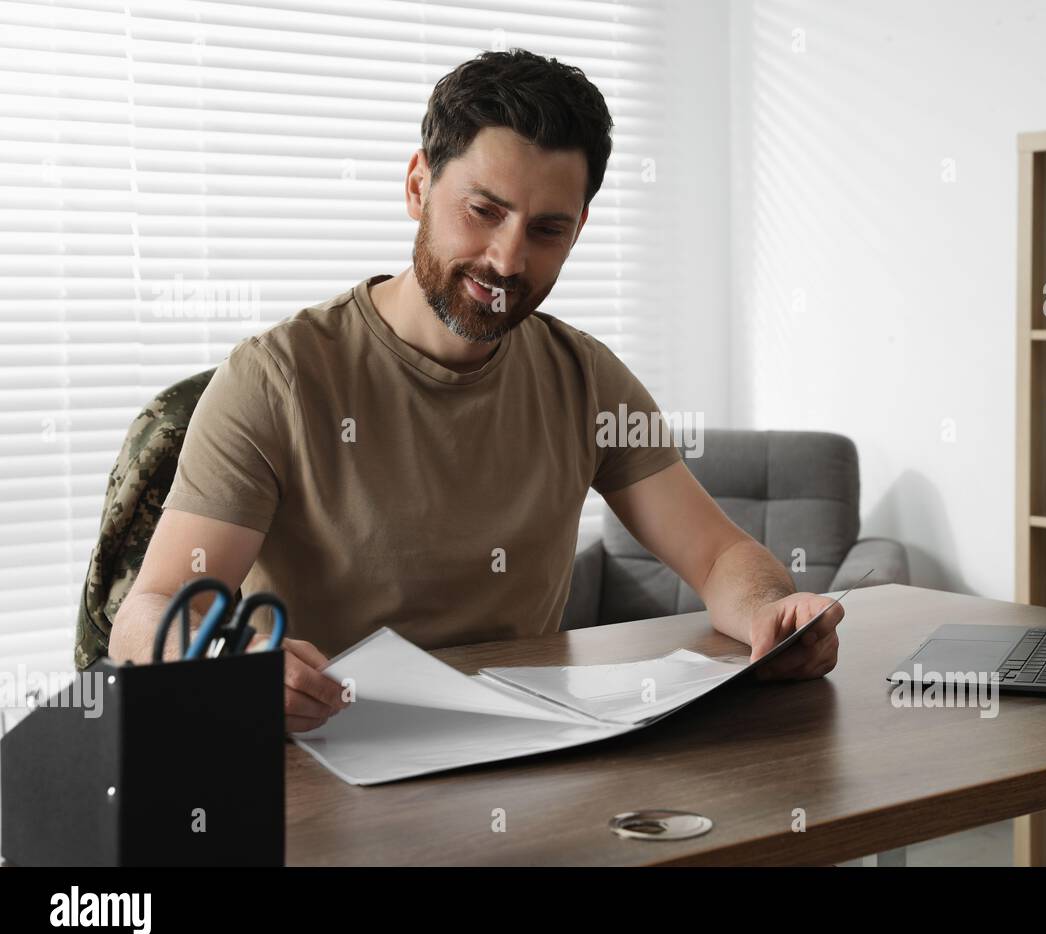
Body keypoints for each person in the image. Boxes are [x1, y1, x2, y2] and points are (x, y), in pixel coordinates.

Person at [109, 49, 842, 733]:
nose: (507, 258)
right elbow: (146, 612)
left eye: (547, 229)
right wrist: (224, 665)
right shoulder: (277, 378)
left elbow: (719, 559)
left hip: (522, 746)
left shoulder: (586, 379)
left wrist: (775, 616)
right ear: (418, 185)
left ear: (579, 229)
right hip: (328, 755)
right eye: (483, 210)